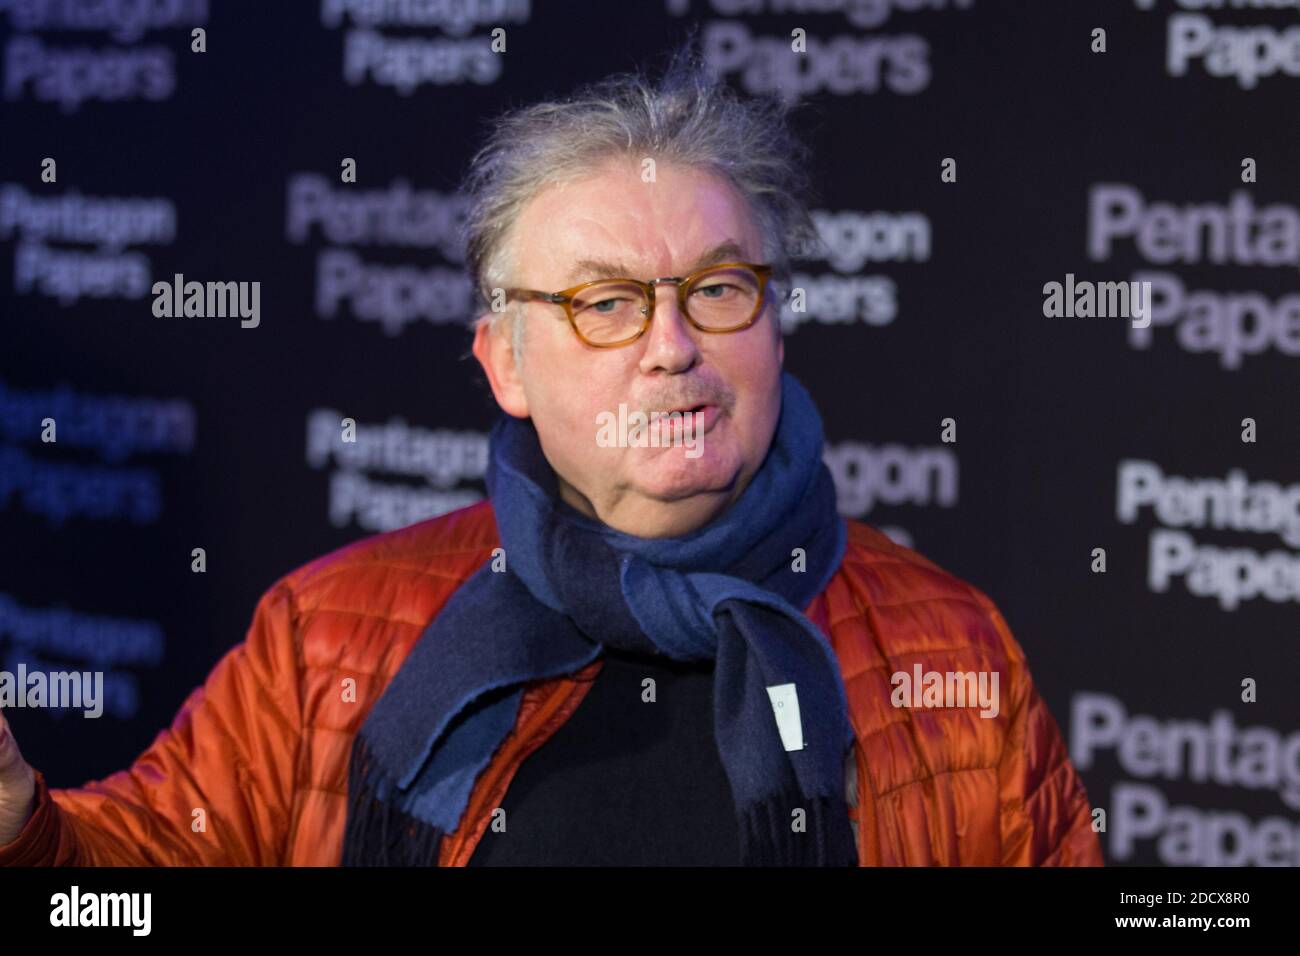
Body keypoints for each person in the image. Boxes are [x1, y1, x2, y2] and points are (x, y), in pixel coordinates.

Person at [0, 42, 1102, 867]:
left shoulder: (953, 652)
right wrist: (21, 830)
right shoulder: (326, 632)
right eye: (605, 302)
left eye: (718, 289)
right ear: (505, 362)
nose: (673, 347)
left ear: (774, 324)